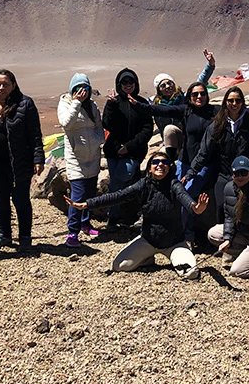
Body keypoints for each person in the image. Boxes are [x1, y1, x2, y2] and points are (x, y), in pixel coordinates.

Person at [66, 148, 209, 278]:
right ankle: (147, 258)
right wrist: (87, 204)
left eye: (164, 162)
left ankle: (172, 257)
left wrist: (196, 208)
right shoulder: (144, 184)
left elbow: (185, 199)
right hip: (148, 240)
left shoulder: (174, 185)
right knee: (119, 266)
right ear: (150, 169)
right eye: (156, 162)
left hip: (174, 243)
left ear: (169, 167)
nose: (160, 164)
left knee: (190, 273)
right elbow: (118, 196)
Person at [144, 79, 220, 246]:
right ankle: (175, 232)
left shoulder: (215, 111)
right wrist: (137, 104)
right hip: (184, 161)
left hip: (204, 165)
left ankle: (187, 236)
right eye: (195, 94)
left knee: (185, 194)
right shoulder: (186, 111)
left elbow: (241, 110)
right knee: (175, 193)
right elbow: (160, 109)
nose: (199, 96)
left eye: (202, 94)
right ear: (190, 97)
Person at [0, 69, 44, 252]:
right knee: (0, 201)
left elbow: (35, 134)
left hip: (18, 163)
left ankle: (25, 237)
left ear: (13, 85)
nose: (1, 88)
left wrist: (38, 159)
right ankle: (4, 235)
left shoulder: (25, 104)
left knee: (21, 200)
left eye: (5, 84)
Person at [184, 86, 249, 231]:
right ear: (225, 103)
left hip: (245, 174)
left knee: (246, 207)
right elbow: (204, 152)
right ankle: (223, 241)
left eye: (238, 100)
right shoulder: (217, 125)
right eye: (230, 101)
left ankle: (243, 241)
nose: (234, 104)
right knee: (222, 207)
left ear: (242, 103)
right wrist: (191, 172)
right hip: (223, 173)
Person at [101, 68, 154, 230]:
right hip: (113, 151)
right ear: (119, 84)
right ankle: (121, 216)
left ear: (136, 83)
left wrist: (128, 147)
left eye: (130, 81)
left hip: (133, 152)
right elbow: (107, 124)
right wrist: (111, 106)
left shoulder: (141, 103)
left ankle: (113, 216)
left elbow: (147, 130)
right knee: (118, 183)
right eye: (124, 82)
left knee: (116, 182)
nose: (128, 85)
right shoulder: (114, 102)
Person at [57, 73, 105, 247]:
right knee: (77, 196)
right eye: (78, 88)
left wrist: (100, 139)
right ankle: (72, 232)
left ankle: (85, 223)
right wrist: (76, 103)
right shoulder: (65, 103)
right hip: (75, 157)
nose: (82, 92)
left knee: (90, 194)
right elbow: (66, 124)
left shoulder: (91, 106)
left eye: (85, 88)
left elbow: (98, 125)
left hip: (92, 155)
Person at [150, 49, 216, 160]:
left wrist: (210, 65)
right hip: (170, 143)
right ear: (159, 90)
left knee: (170, 129)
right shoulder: (157, 107)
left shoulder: (184, 98)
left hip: (189, 137)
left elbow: (200, 82)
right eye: (163, 85)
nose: (167, 87)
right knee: (161, 153)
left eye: (169, 83)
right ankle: (172, 160)